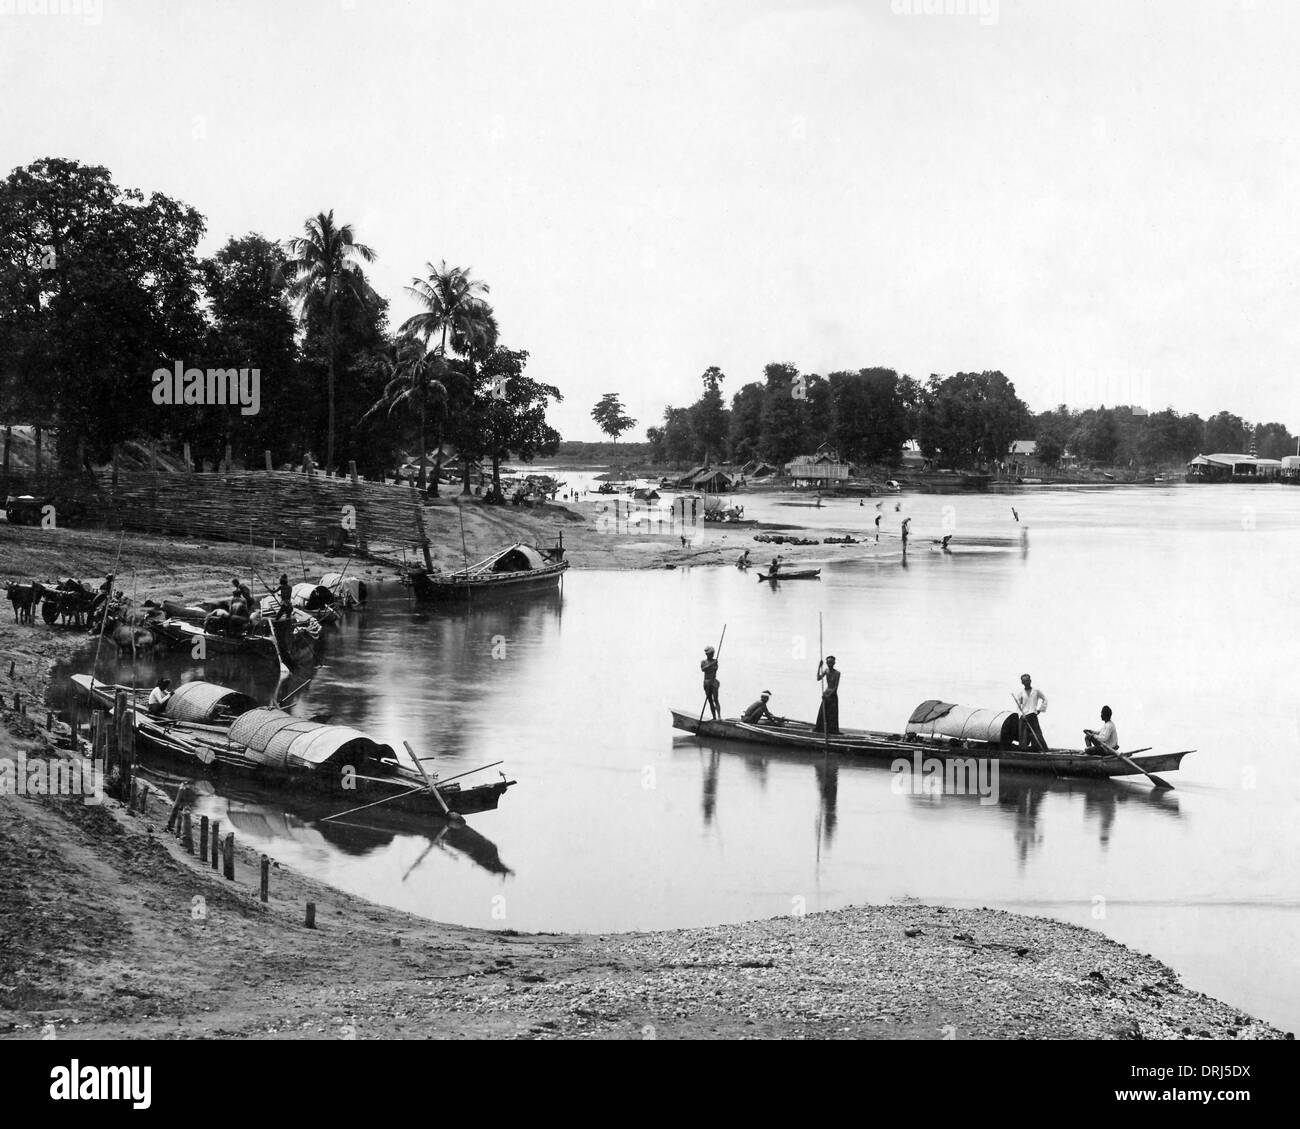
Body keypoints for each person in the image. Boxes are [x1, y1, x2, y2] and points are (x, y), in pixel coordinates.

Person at [1014, 673, 1048, 751]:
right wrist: (1022, 715)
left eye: (1028, 680)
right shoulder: (1021, 694)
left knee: (1036, 734)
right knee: (1023, 735)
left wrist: (1040, 709)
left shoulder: (1036, 691)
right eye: (1024, 681)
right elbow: (1019, 706)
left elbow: (1044, 699)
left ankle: (1039, 750)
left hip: (1033, 715)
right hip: (1024, 717)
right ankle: (1023, 751)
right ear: (1022, 682)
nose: (1026, 682)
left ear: (1030, 681)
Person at [814, 656, 841, 735]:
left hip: (832, 695)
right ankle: (820, 730)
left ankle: (832, 732)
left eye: (831, 662)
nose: (830, 664)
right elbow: (818, 678)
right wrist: (819, 667)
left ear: (834, 663)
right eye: (828, 662)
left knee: (832, 715)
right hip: (826, 694)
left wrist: (828, 695)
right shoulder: (826, 670)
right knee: (822, 713)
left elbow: (835, 688)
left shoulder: (837, 673)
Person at [700, 645, 721, 720]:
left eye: (712, 654)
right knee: (710, 700)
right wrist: (712, 664)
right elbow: (703, 669)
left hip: (713, 682)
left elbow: (715, 669)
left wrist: (713, 665)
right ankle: (714, 717)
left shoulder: (715, 662)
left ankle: (719, 717)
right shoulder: (704, 661)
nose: (711, 655)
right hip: (707, 682)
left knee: (716, 699)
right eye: (709, 654)